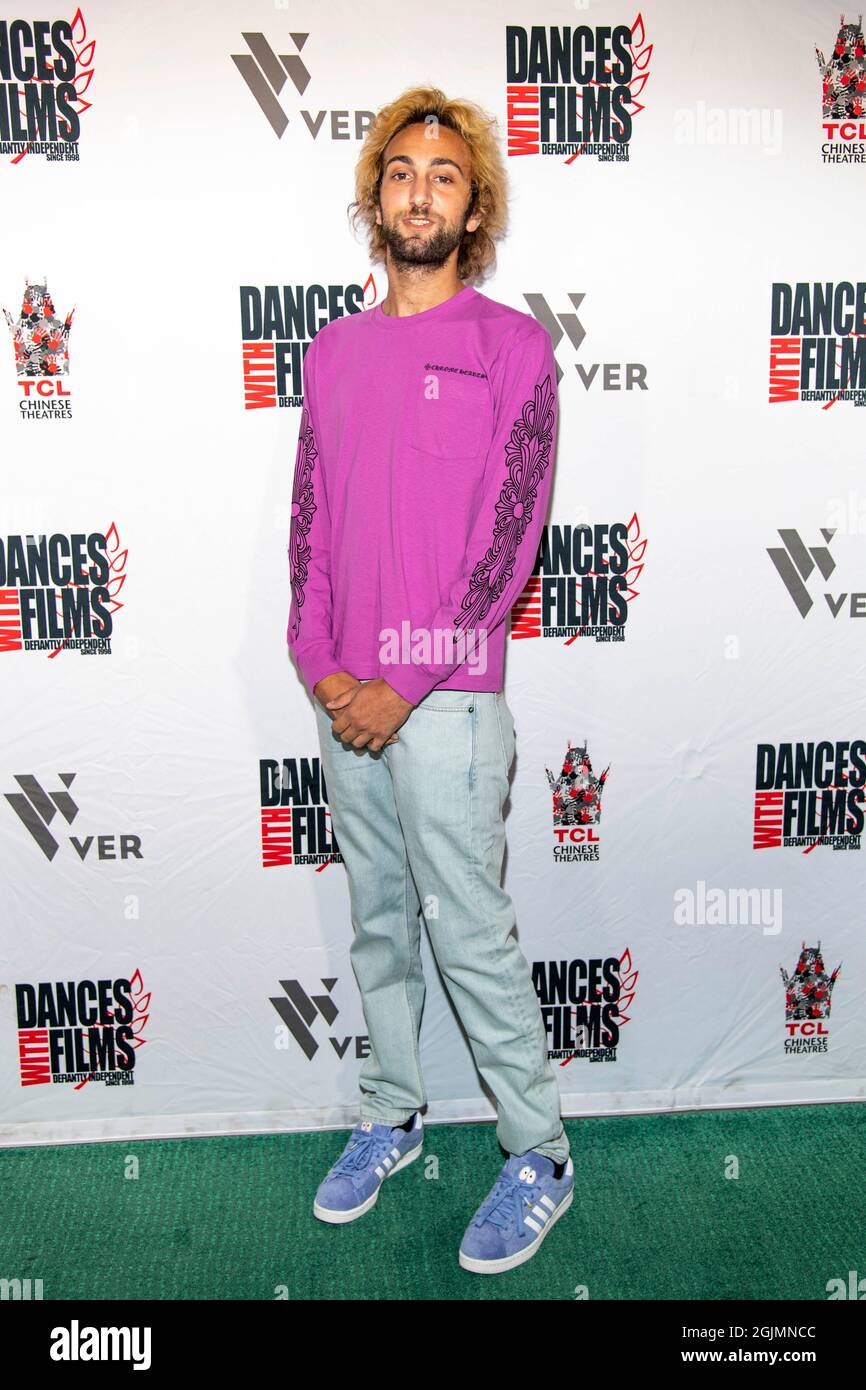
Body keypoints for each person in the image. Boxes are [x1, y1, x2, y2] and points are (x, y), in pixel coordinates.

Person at [286, 85, 572, 1276]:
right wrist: (322, 667)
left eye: (444, 175)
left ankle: (539, 1152)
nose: (419, 189)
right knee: (380, 930)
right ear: (375, 196)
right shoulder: (333, 349)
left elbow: (508, 543)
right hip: (344, 691)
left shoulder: (514, 350)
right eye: (401, 170)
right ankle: (393, 1110)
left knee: (470, 934)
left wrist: (397, 683)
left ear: (474, 205)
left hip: (443, 698)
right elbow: (309, 524)